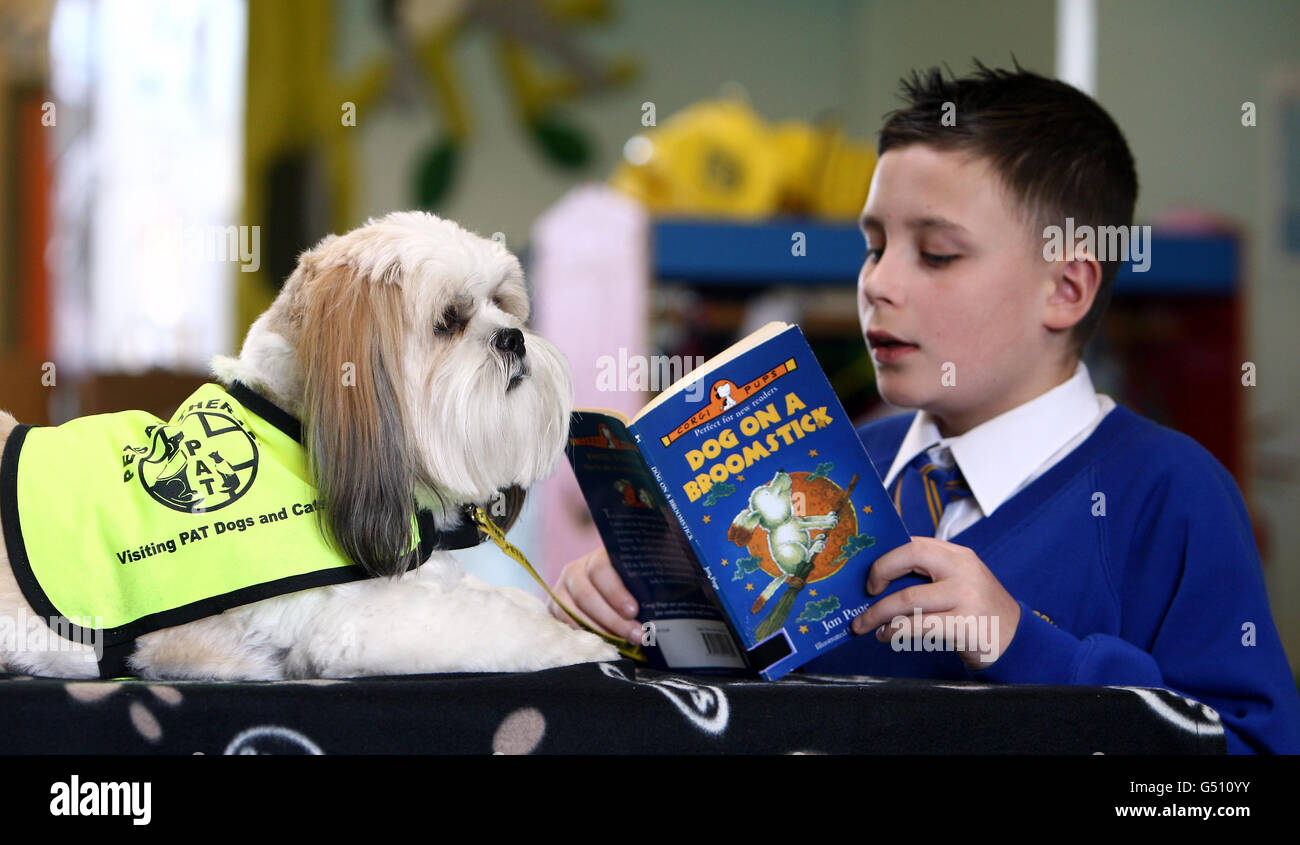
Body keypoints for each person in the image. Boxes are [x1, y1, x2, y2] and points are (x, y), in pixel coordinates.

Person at [550, 60, 1300, 754]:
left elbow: (1236, 776)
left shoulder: (1171, 495)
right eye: (874, 246)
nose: (878, 283)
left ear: (1066, 289)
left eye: (937, 253)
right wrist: (638, 621)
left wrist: (1023, 645)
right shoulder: (821, 466)